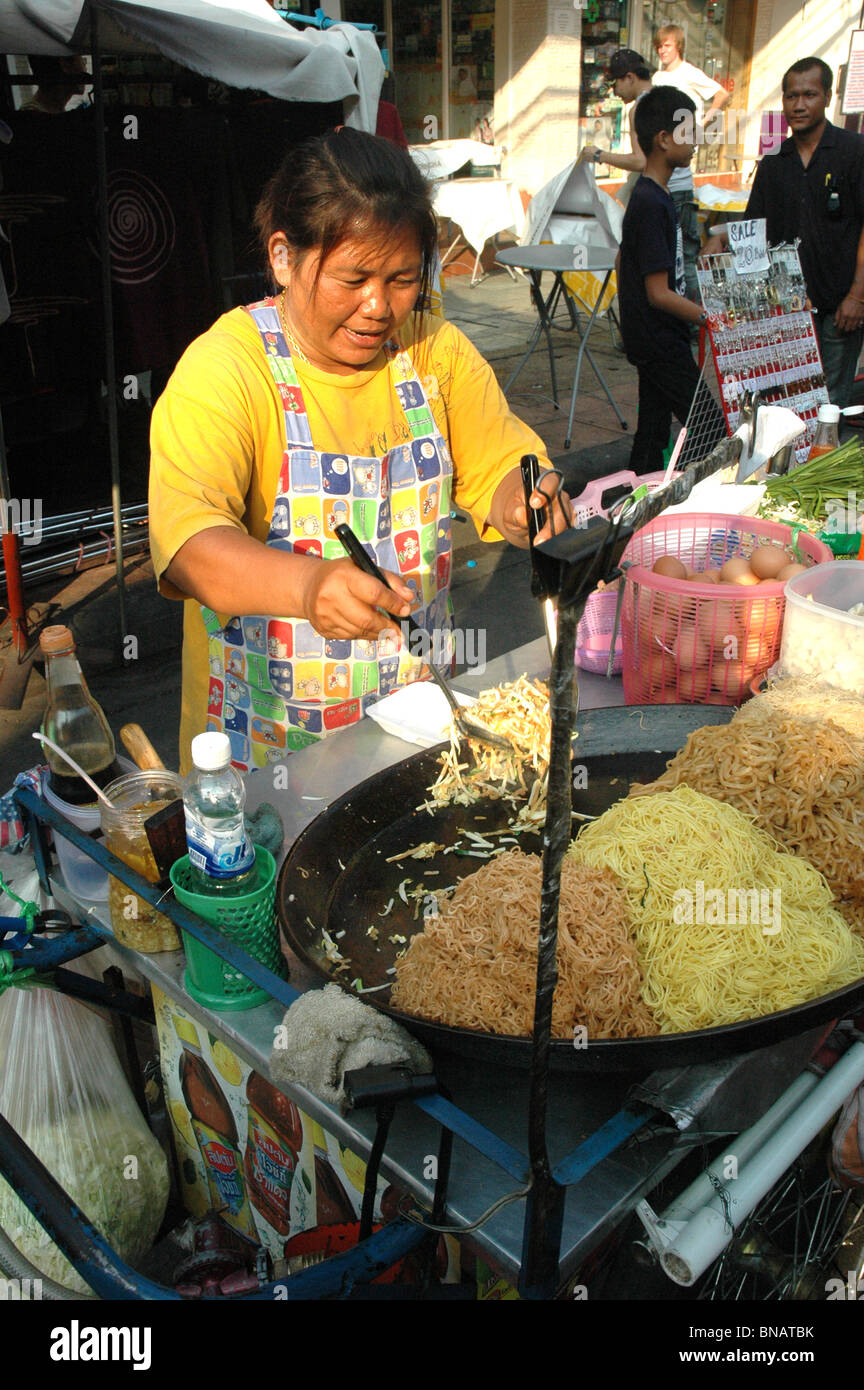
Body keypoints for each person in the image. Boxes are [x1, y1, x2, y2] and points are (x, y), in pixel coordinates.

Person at [149, 129, 569, 773]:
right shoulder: (226, 368)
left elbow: (504, 468)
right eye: (354, 278)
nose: (379, 307)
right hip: (267, 749)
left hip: (420, 719)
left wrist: (525, 503)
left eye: (402, 279)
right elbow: (188, 552)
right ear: (284, 257)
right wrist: (311, 584)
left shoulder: (432, 352)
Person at [704, 58, 864, 410]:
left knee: (829, 406)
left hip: (841, 304)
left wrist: (858, 295)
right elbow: (755, 226)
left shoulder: (854, 151)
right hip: (788, 307)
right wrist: (721, 236)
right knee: (787, 404)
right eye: (792, 96)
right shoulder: (775, 160)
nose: (799, 105)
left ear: (828, 95)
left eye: (809, 94)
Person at [618, 87, 726, 474]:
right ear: (664, 139)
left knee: (652, 433)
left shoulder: (657, 197)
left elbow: (633, 264)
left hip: (656, 338)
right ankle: (688, 495)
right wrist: (707, 317)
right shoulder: (650, 202)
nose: (696, 139)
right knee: (711, 431)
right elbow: (658, 293)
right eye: (688, 131)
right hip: (660, 341)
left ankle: (633, 507)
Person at [652, 24, 731, 300]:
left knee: (685, 253)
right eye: (659, 46)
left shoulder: (689, 73)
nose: (663, 50)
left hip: (680, 179)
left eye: (668, 45)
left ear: (679, 46)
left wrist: (703, 121)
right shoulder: (657, 76)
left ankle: (697, 317)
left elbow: (721, 93)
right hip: (657, 177)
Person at [584, 48, 653, 207]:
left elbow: (640, 161)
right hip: (681, 190)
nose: (614, 92)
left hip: (662, 193)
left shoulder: (639, 109)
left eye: (615, 84)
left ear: (629, 77)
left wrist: (599, 155)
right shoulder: (664, 97)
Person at [20, 55, 90, 113]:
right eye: (83, 62)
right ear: (65, 64)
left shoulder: (44, 113)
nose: (85, 69)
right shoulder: (35, 116)